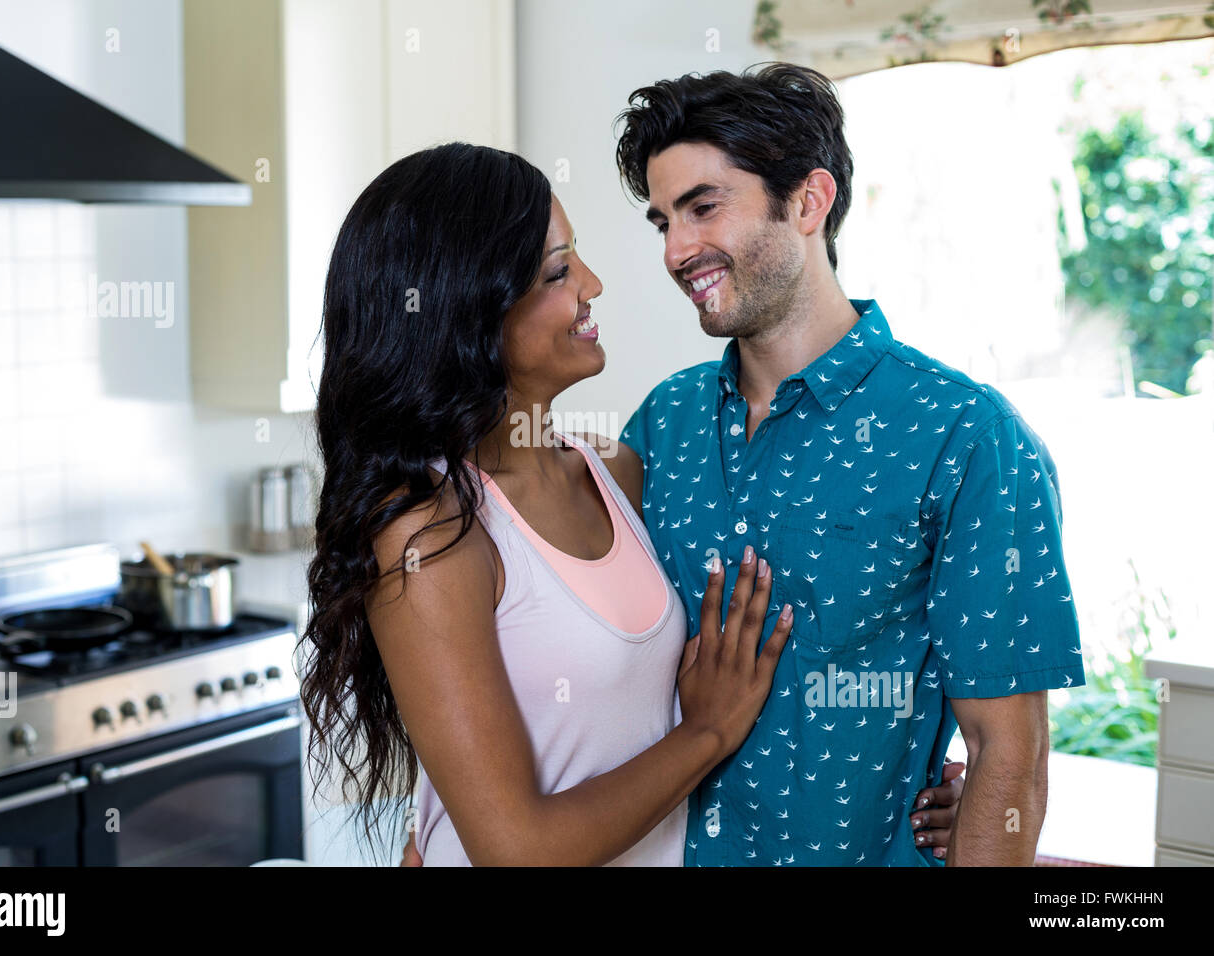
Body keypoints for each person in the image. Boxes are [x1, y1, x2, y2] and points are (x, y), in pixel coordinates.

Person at [299, 141, 963, 867]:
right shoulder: (431, 532)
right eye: (557, 271)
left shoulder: (618, 470)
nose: (592, 284)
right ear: (467, 316)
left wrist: (911, 783)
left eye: (574, 256)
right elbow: (516, 849)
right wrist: (705, 733)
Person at [611, 63, 1086, 865]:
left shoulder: (965, 434)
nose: (677, 250)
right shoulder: (664, 422)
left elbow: (1008, 754)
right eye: (663, 222)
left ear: (808, 201)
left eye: (703, 208)